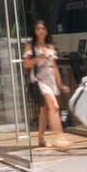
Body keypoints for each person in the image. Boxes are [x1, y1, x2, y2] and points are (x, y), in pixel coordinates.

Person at [23, 21, 71, 149]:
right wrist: (40, 58)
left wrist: (61, 85)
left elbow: (54, 67)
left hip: (50, 80)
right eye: (38, 28)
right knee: (54, 106)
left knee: (44, 110)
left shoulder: (50, 46)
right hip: (39, 80)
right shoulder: (30, 46)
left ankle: (40, 138)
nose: (40, 31)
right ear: (34, 31)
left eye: (43, 28)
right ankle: (59, 137)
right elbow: (26, 64)